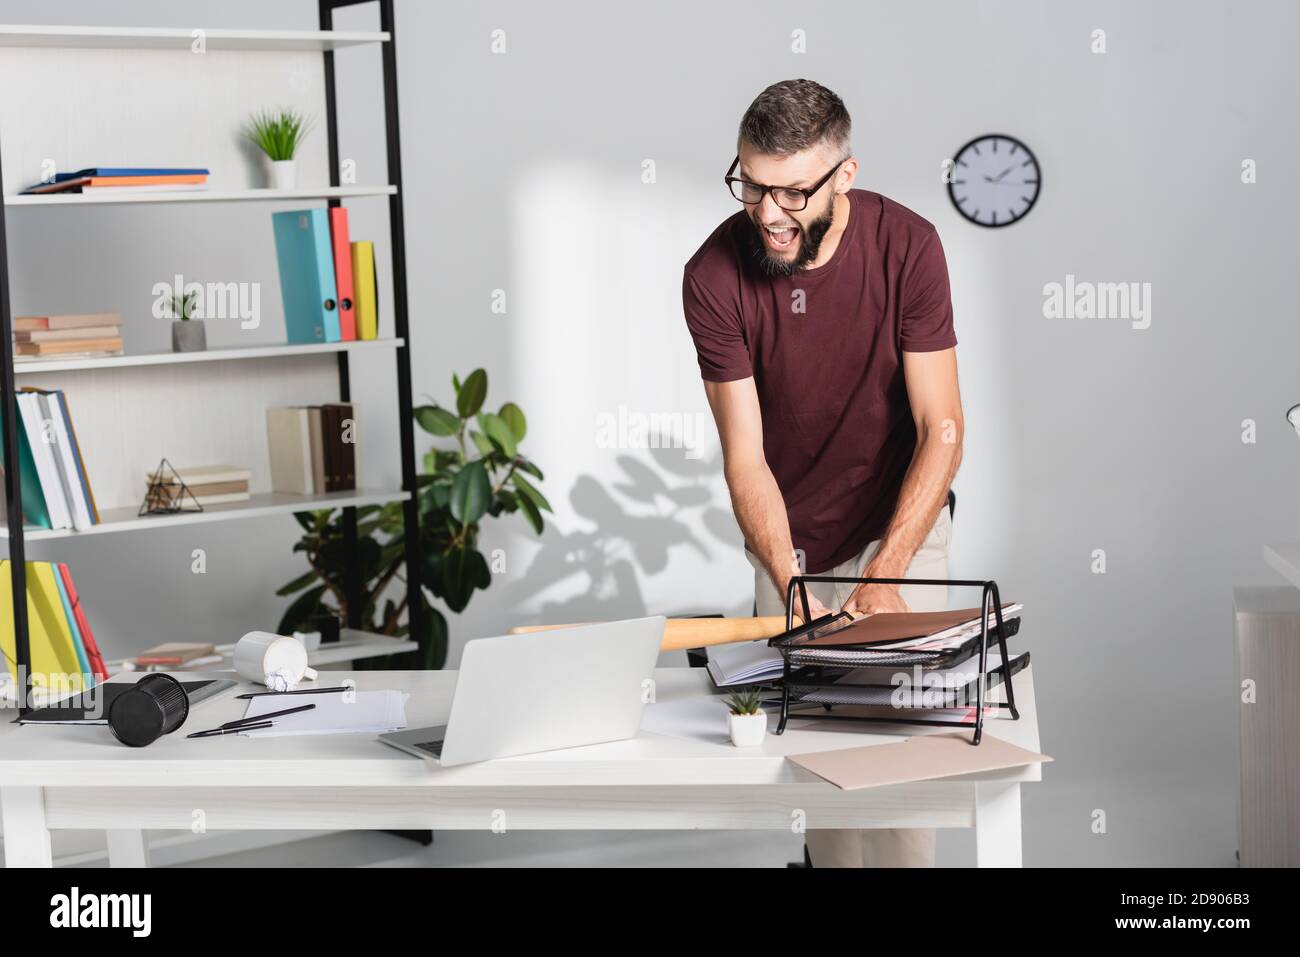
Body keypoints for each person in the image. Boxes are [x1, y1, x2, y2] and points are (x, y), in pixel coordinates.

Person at [682, 79, 964, 868]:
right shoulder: (711, 275)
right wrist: (790, 579)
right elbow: (744, 454)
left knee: (906, 775)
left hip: (899, 517)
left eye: (792, 192)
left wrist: (889, 569)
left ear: (845, 176)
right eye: (750, 184)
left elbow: (942, 428)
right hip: (789, 534)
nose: (768, 213)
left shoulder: (910, 246)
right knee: (824, 770)